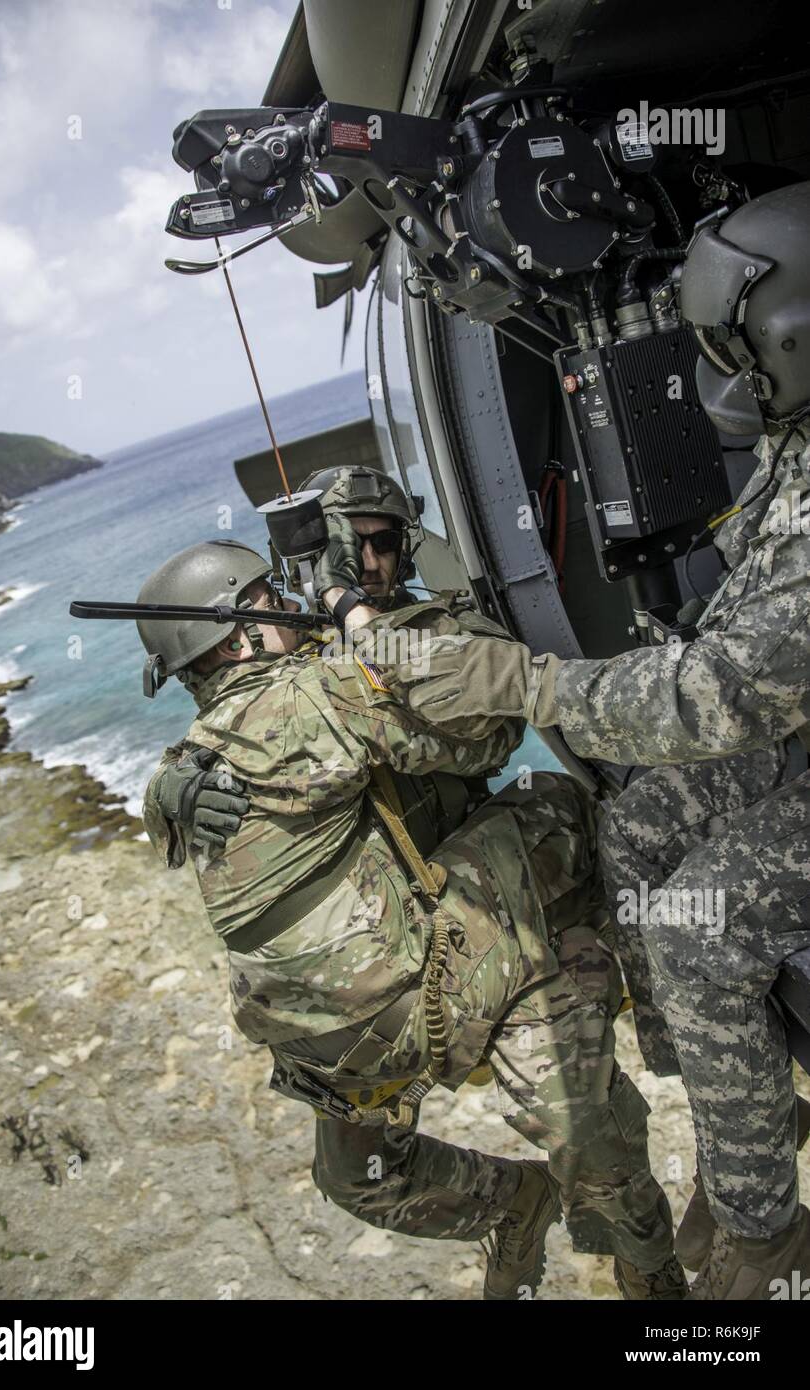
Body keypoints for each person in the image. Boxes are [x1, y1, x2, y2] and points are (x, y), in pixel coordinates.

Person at [330, 183, 810, 1300]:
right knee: (635, 821)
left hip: (766, 711)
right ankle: (742, 1112)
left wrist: (528, 681)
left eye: (732, 348)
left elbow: (721, 697)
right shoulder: (795, 429)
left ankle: (766, 1231)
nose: (722, 375)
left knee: (703, 939)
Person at [136, 535, 684, 1299]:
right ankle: (572, 1226)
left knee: (371, 1174)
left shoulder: (192, 763)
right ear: (241, 636)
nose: (287, 602)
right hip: (416, 1001)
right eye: (268, 598)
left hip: (353, 1036)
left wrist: (158, 788)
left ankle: (579, 1234)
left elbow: (172, 812)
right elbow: (486, 737)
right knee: (547, 811)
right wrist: (365, 632)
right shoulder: (312, 700)